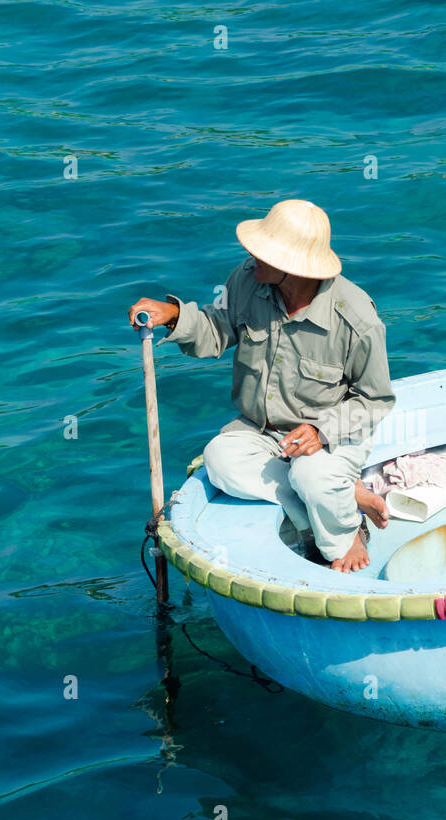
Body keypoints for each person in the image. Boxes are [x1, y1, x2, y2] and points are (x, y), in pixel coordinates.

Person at [129, 199, 394, 572]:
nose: (250, 255)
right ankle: (344, 497)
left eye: (263, 252)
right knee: (220, 459)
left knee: (312, 476)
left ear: (293, 268)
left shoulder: (356, 319)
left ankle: (348, 533)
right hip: (261, 431)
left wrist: (322, 431)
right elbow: (215, 330)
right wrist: (174, 316)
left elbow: (376, 400)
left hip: (332, 437)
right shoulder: (247, 279)